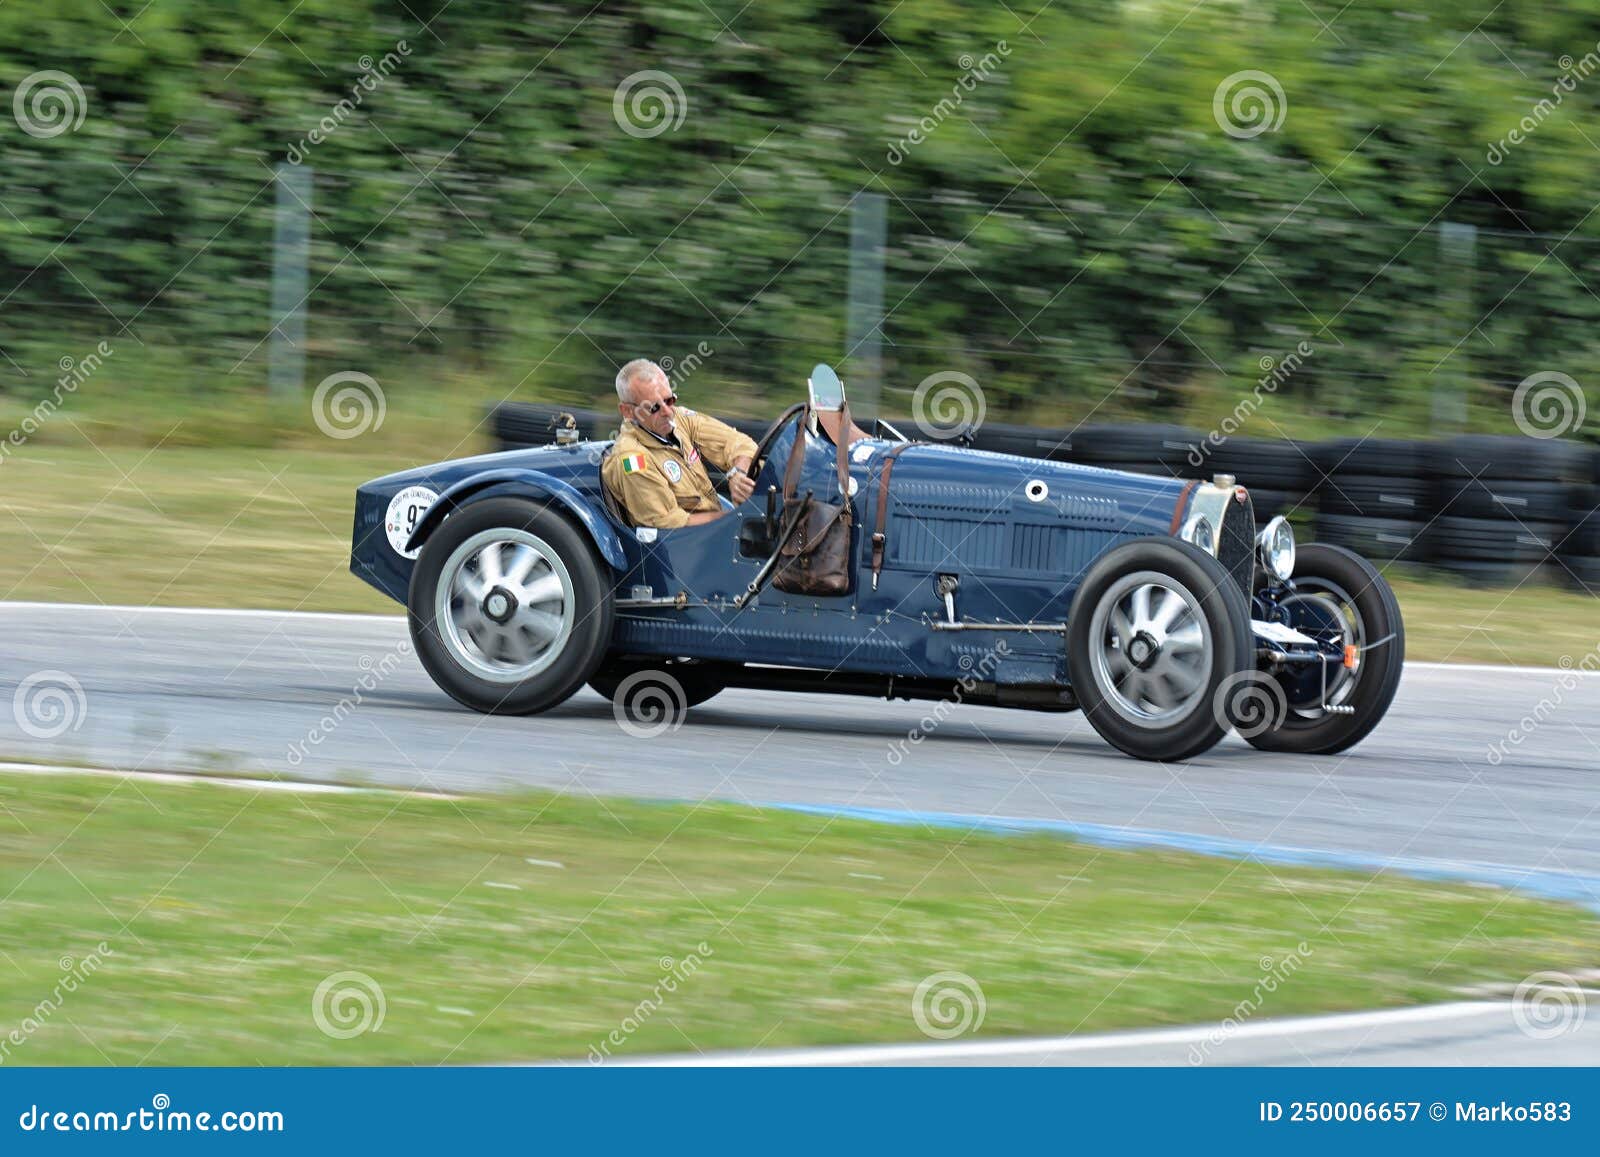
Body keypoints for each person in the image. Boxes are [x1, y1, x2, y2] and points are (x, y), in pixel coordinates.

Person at [602, 358, 758, 528]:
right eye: (654, 408)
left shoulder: (681, 419)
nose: (667, 412)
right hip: (690, 543)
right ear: (628, 411)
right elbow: (667, 522)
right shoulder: (633, 459)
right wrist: (735, 518)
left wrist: (738, 474)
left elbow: (738, 442)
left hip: (716, 525)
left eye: (669, 400)